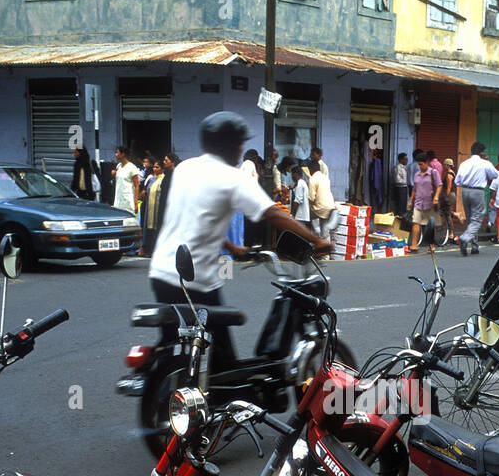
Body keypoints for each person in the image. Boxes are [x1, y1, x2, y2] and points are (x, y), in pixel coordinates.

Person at [149, 112, 330, 363]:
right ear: (230, 145)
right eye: (239, 143)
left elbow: (193, 219)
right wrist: (317, 240)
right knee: (222, 355)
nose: (241, 148)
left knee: (176, 347)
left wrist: (231, 246)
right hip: (195, 282)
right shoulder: (233, 177)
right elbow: (273, 213)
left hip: (161, 273)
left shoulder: (185, 168)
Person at [454, 141, 498, 255]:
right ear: (481, 152)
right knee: (477, 219)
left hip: (465, 191)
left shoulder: (464, 163)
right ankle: (465, 238)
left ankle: (475, 246)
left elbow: (457, 181)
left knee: (470, 219)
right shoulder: (485, 163)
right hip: (478, 192)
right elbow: (495, 175)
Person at [406, 151, 442, 253]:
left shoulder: (433, 173)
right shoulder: (417, 174)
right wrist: (411, 200)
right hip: (418, 203)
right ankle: (413, 245)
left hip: (430, 203)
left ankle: (431, 246)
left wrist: (436, 198)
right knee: (416, 223)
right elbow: (414, 188)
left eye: (421, 164)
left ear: (426, 163)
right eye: (418, 164)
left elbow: (439, 185)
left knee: (430, 225)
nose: (420, 166)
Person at [307, 157, 338, 245]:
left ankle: (312, 243)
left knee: (305, 218)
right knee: (325, 231)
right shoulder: (325, 177)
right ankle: (325, 254)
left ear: (311, 169)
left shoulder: (312, 179)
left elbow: (311, 198)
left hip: (319, 209)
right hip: (330, 206)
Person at [112, 146, 139, 214]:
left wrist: (135, 203)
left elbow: (136, 186)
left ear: (123, 154)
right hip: (118, 199)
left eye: (117, 152)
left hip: (128, 200)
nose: (116, 154)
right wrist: (114, 175)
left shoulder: (132, 167)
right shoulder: (118, 166)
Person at [438, 157, 458, 244]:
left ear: (447, 165)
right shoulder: (451, 173)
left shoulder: (449, 175)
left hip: (449, 195)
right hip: (451, 195)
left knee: (447, 214)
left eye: (444, 164)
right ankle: (456, 215)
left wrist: (446, 197)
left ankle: (451, 233)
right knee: (446, 212)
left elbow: (449, 187)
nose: (443, 166)